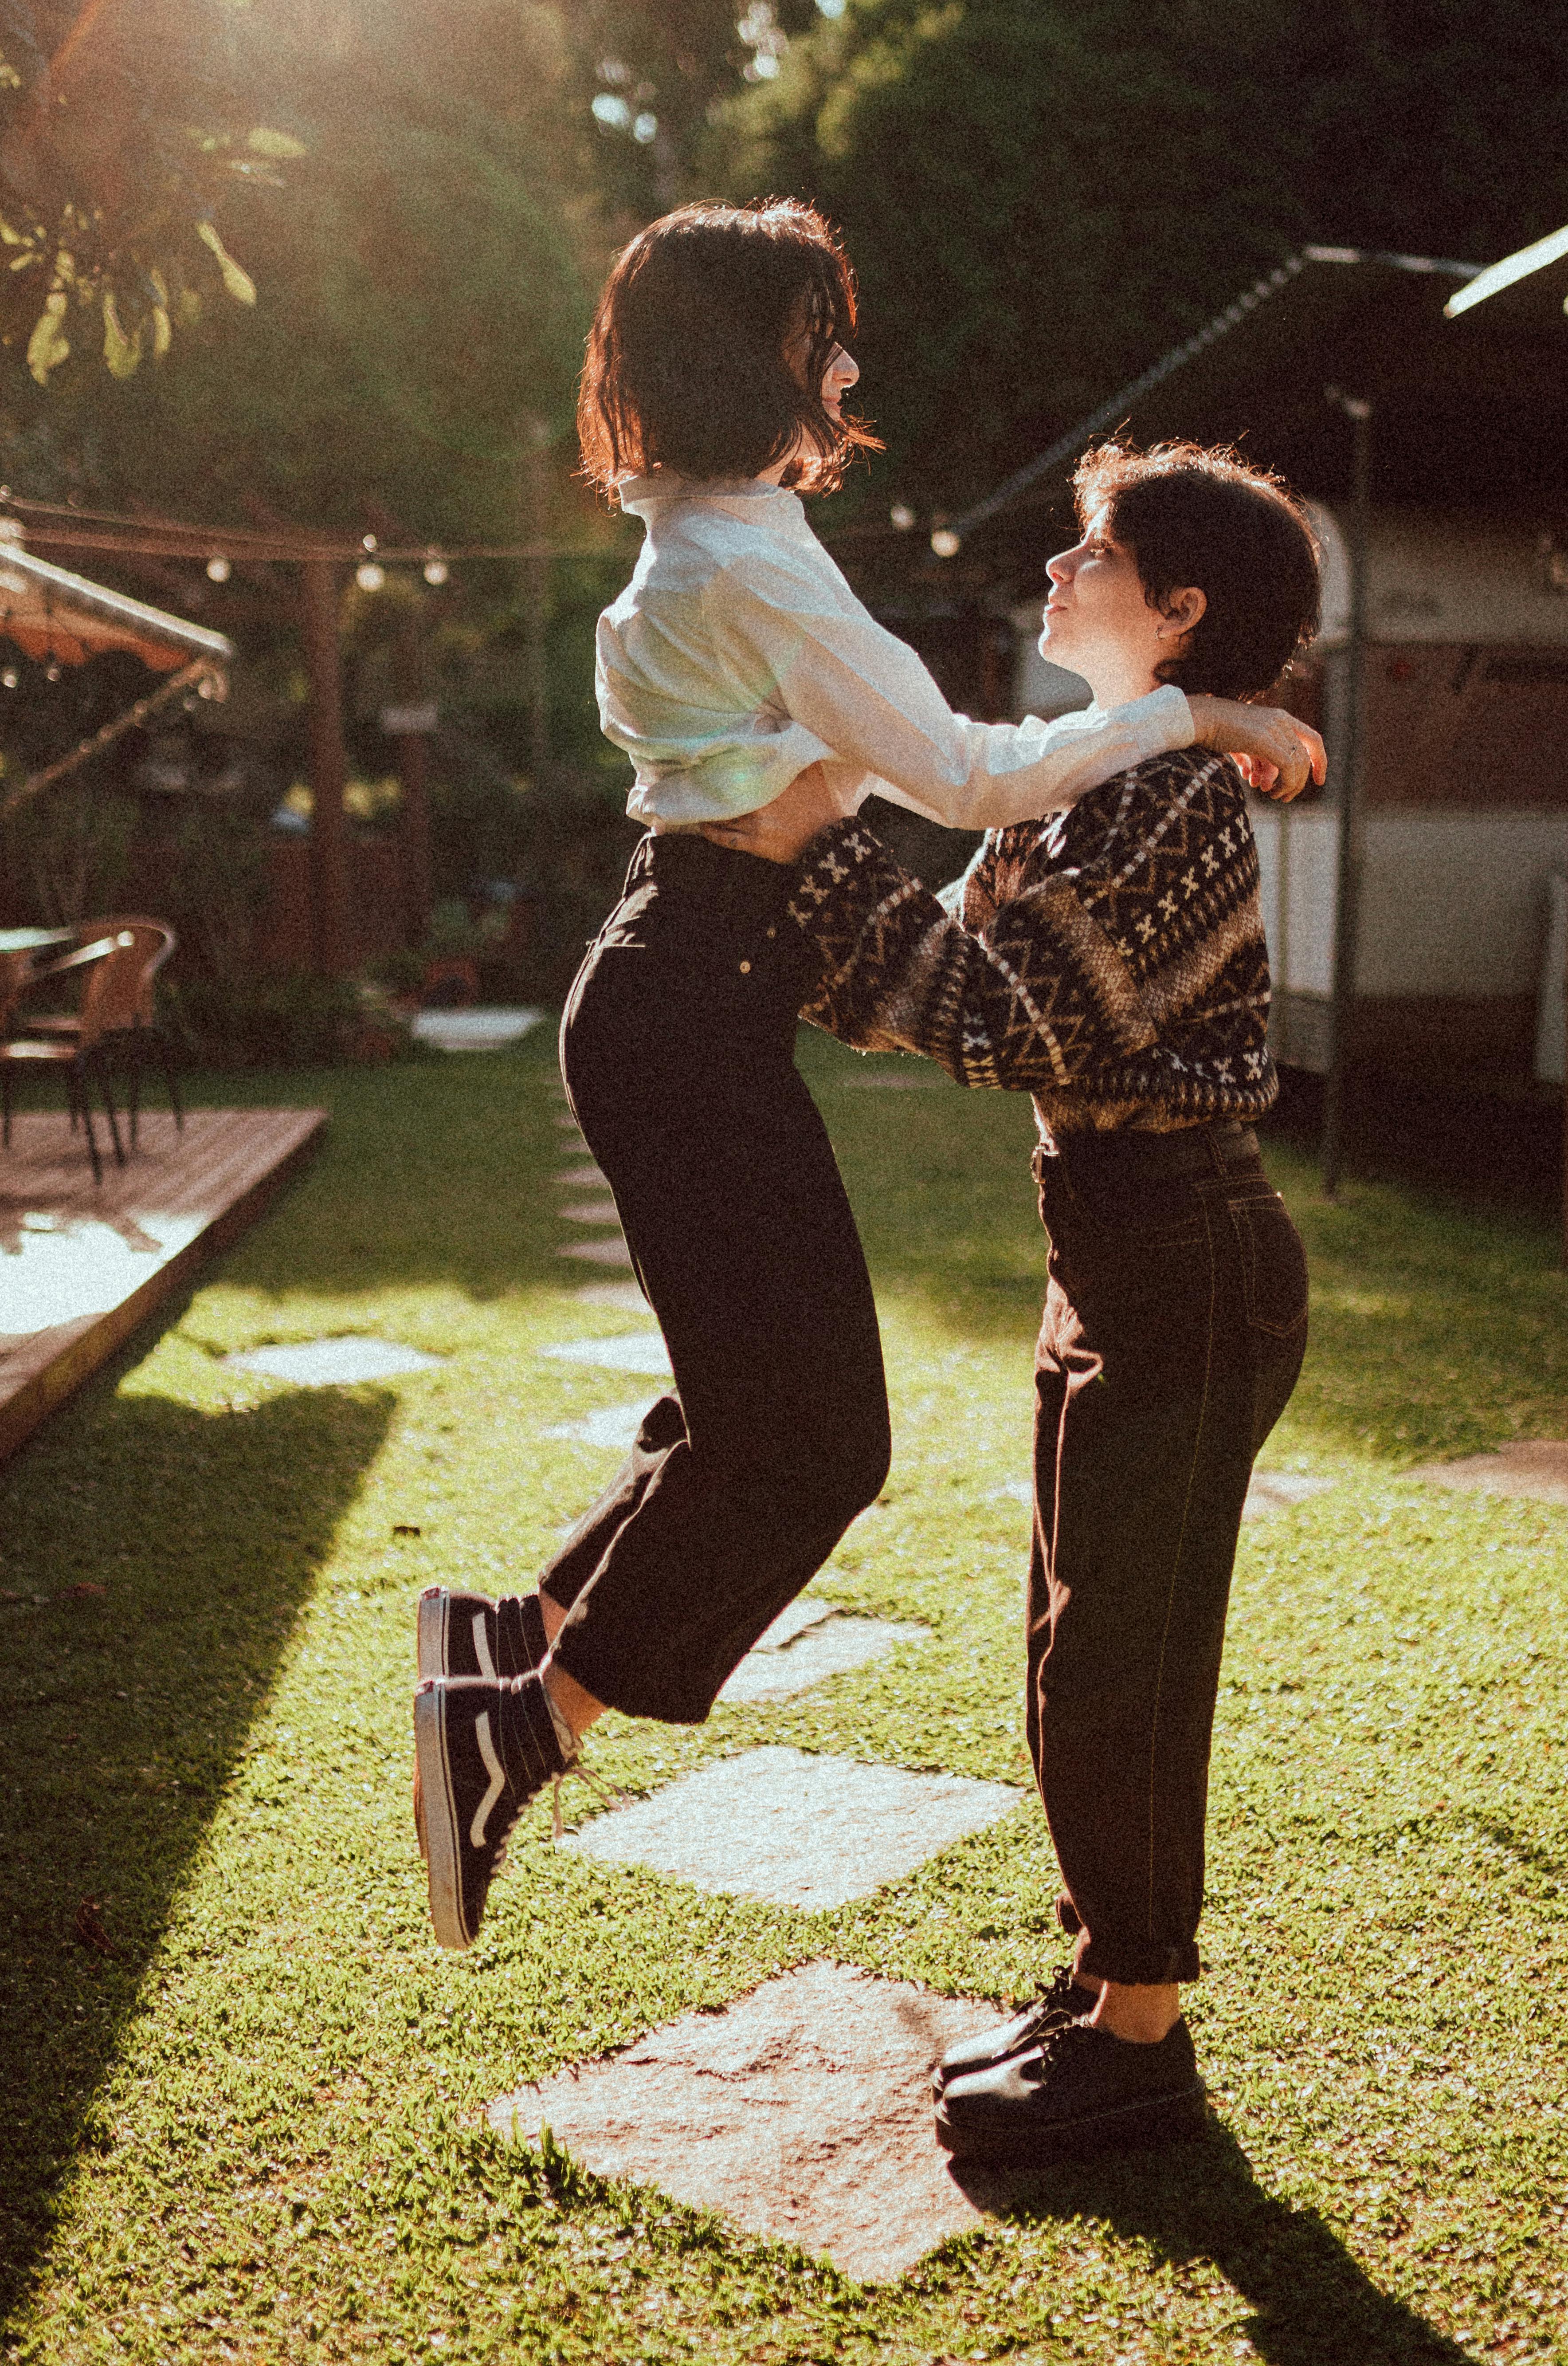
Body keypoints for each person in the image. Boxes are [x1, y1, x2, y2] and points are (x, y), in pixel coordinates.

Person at [410, 201, 1323, 1953]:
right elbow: (972, 782)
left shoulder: (712, 532)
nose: (845, 364)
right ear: (750, 351)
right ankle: (511, 1718)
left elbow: (940, 882)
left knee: (758, 1416)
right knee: (808, 1439)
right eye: (820, 330)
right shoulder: (749, 555)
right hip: (691, 1004)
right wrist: (1198, 713)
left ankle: (502, 1642)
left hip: (687, 993)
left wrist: (864, 830)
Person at [726, 440, 1321, 2165]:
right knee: (1073, 1646)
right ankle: (1102, 1984)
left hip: (1185, 1257)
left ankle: (1137, 2037)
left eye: (1087, 555)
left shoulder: (1160, 801)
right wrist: (824, 837)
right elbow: (954, 968)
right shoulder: (1102, 775)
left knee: (1122, 1655)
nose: (1053, 576)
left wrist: (815, 841)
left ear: (1178, 608)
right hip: (1120, 1244)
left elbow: (1001, 1023)